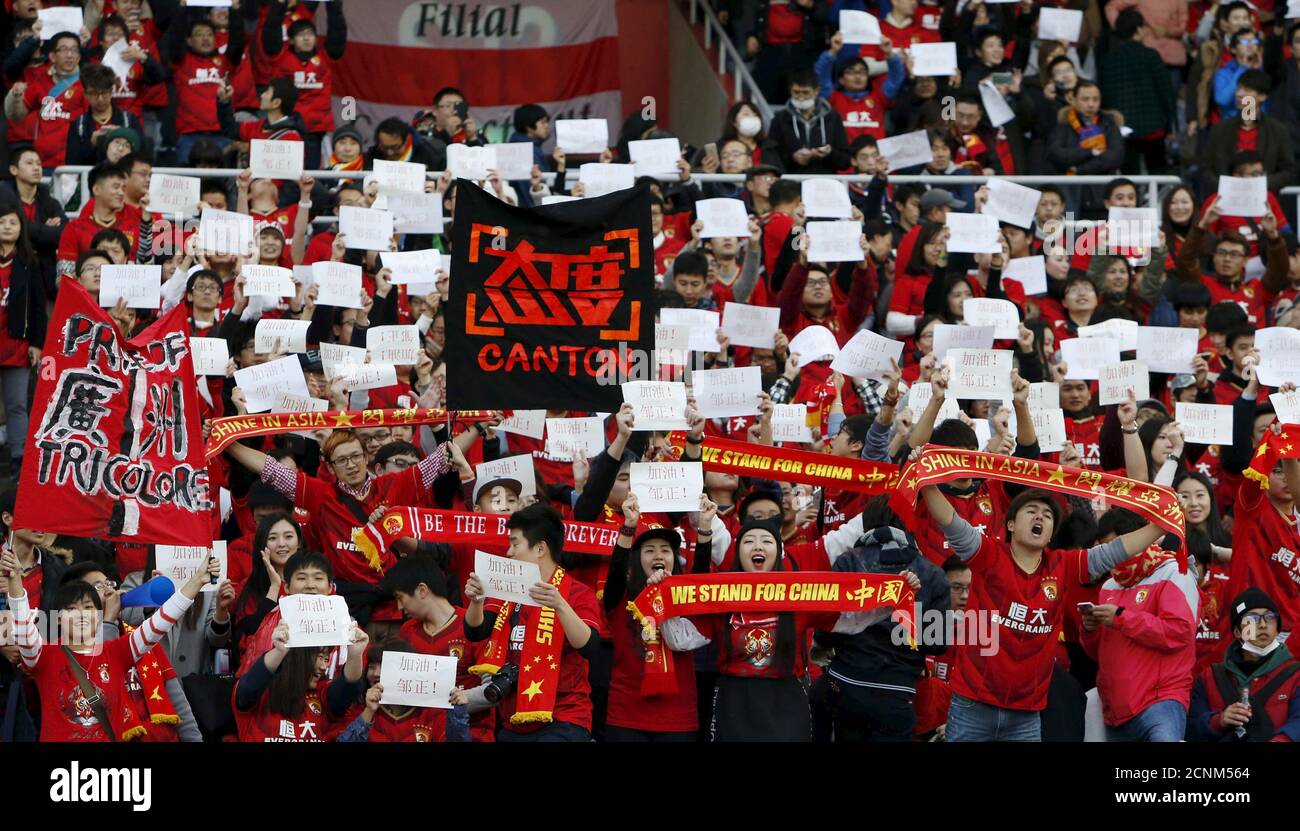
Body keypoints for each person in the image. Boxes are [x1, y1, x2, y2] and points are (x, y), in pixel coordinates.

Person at [921, 485, 1169, 741]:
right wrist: (927, 480)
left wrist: (1162, 525)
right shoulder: (988, 554)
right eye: (1031, 511)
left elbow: (1115, 550)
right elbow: (950, 520)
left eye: (1048, 516)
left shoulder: (1064, 565)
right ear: (1011, 525)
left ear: (1051, 534)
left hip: (1026, 713)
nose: (1040, 517)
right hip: (973, 705)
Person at [1, 544, 218, 741]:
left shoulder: (117, 651)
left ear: (98, 615)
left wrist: (197, 580)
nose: (81, 615)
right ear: (58, 617)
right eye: (72, 609)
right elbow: (22, 626)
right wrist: (14, 581)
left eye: (88, 608)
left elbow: (162, 621)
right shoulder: (43, 655)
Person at [463, 503, 605, 742]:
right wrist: (476, 601)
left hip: (563, 718)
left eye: (515, 543)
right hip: (513, 721)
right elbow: (476, 632)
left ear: (540, 548)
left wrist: (560, 605)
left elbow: (589, 646)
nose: (508, 552)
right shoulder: (506, 591)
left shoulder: (577, 593)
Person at [1080, 519, 1199, 742]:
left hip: (1160, 701)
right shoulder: (1109, 585)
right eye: (1106, 548)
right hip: (1116, 708)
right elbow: (1100, 653)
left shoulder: (1174, 573)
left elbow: (1179, 632)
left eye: (1116, 545)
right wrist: (1089, 630)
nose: (1113, 555)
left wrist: (1121, 618)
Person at [233, 553, 369, 742]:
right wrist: (279, 651)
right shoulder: (271, 624)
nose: (310, 585)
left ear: (330, 587)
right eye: (302, 578)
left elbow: (346, 691)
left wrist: (354, 654)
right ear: (287, 587)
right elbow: (249, 686)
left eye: (318, 578)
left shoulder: (348, 631)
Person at [1187, 588, 1300, 741]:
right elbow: (1190, 728)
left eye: (1269, 617)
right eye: (1252, 619)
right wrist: (1218, 721)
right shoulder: (1210, 678)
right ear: (1238, 632)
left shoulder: (1295, 675)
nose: (1263, 625)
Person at [1097, 9, 1177, 175]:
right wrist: (1170, 125)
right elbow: (1166, 92)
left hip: (1122, 130)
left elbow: (1103, 95)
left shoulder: (1108, 59)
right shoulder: (1151, 56)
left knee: (1129, 178)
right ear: (1139, 29)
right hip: (1153, 128)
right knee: (1158, 174)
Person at [0, 202, 46, 475]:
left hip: (17, 343)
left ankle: (19, 457)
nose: (7, 226)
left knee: (17, 404)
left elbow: (39, 308)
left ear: (21, 229)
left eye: (13, 223)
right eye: (2, 221)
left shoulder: (29, 263)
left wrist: (37, 343)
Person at [767, 68, 851, 175]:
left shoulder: (832, 118)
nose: (801, 97)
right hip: (791, 184)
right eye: (796, 92)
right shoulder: (779, 119)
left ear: (817, 91)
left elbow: (846, 161)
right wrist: (793, 158)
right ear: (790, 90)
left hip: (824, 182)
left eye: (806, 92)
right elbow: (771, 158)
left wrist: (830, 153)